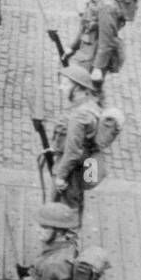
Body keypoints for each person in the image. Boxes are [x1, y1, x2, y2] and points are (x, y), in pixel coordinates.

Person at [50, 65, 102, 219]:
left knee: (68, 207)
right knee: (75, 201)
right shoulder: (90, 104)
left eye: (66, 84)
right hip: (84, 164)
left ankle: (68, 239)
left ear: (78, 88)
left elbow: (73, 152)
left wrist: (60, 176)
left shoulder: (79, 116)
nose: (61, 87)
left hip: (72, 169)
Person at [65, 0, 125, 88]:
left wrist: (98, 68)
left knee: (86, 91)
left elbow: (107, 40)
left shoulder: (106, 6)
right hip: (85, 54)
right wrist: (72, 47)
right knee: (79, 89)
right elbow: (84, 27)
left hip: (92, 60)